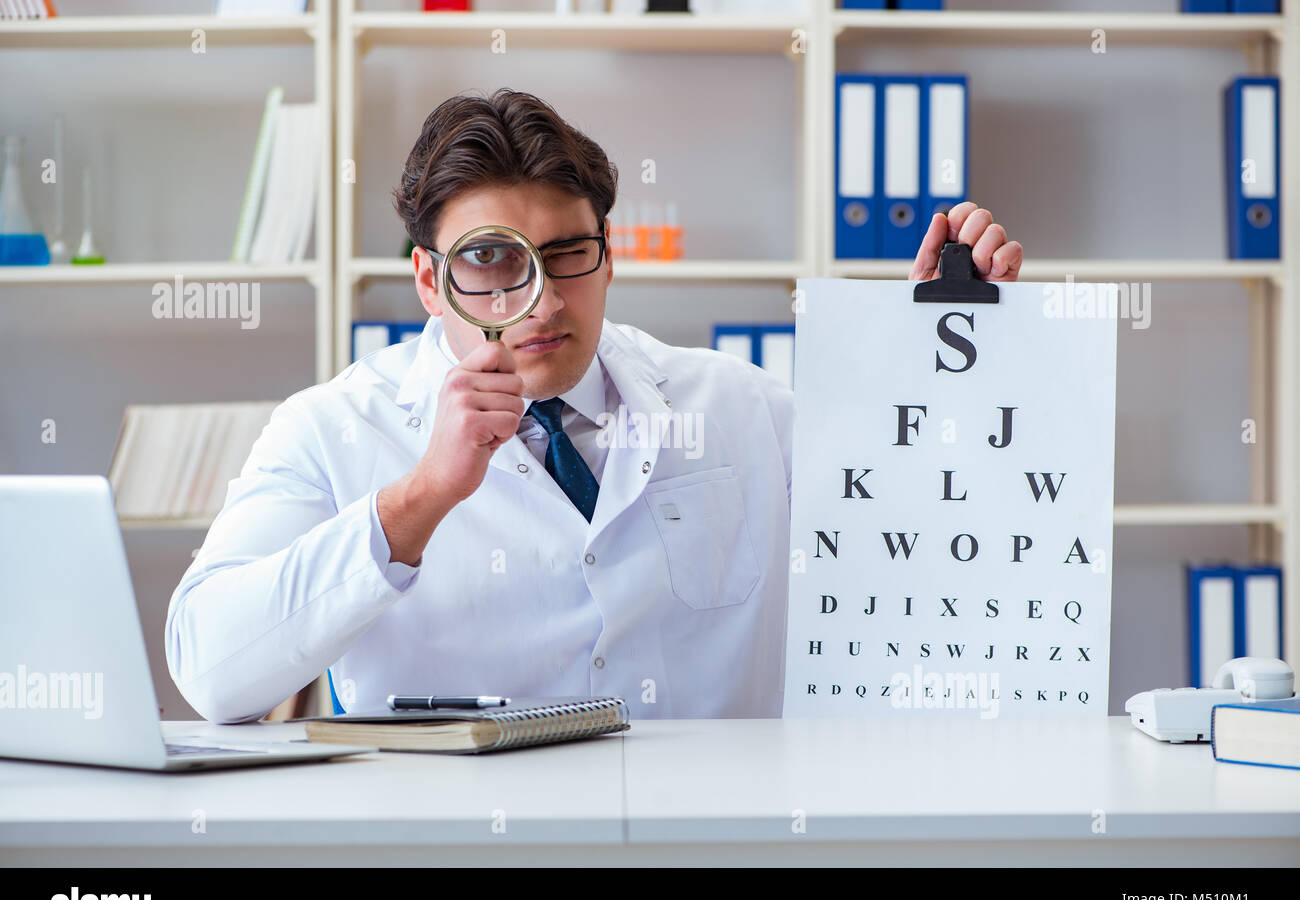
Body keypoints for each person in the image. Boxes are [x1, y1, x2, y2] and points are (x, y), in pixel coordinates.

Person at [165, 88, 1023, 724]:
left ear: (609, 258)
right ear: (429, 282)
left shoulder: (740, 408)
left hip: (712, 849)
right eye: (492, 261)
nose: (538, 301)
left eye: (565, 254)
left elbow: (928, 551)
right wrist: (418, 499)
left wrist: (943, 361)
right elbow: (210, 670)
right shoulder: (334, 429)